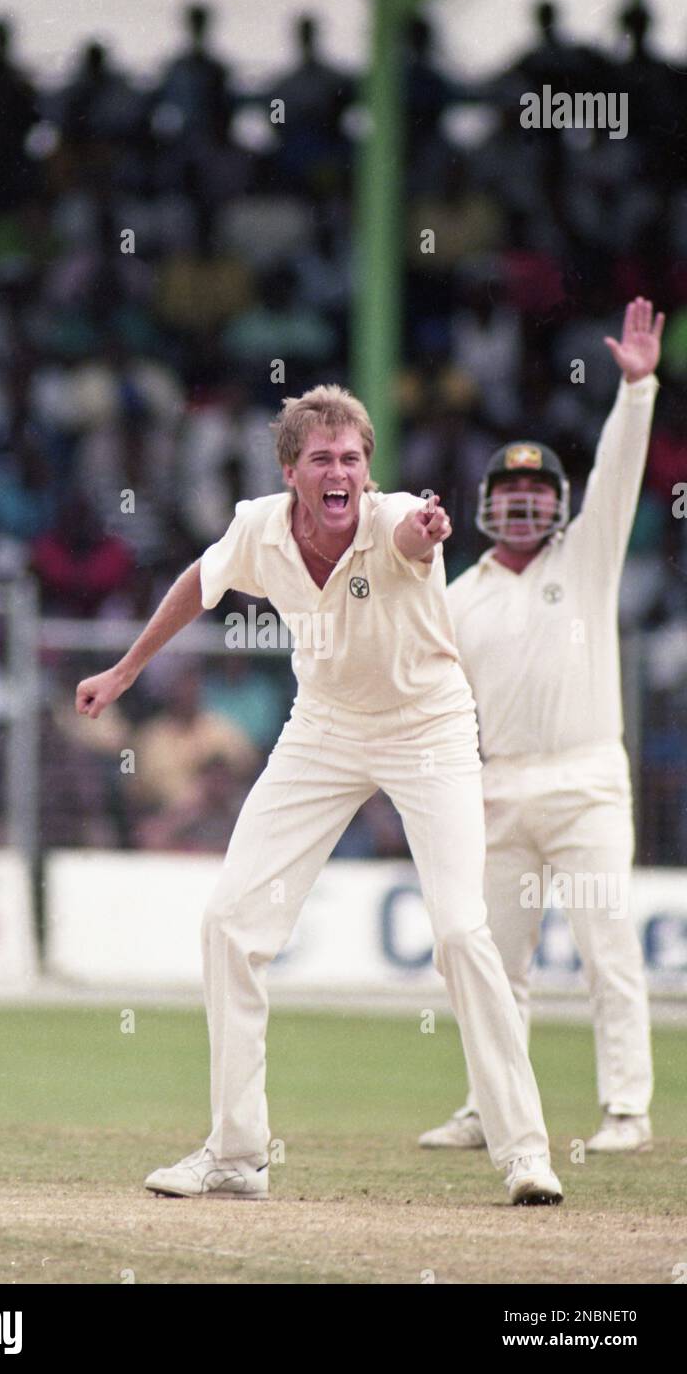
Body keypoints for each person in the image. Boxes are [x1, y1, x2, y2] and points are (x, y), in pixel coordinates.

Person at [76, 384, 563, 1205]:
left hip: (429, 726)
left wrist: (426, 529)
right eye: (322, 460)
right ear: (291, 471)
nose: (340, 473)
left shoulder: (398, 517)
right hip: (325, 727)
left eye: (352, 459)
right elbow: (200, 581)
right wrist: (127, 669)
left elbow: (416, 533)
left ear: (368, 471)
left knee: (460, 931)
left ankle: (524, 1153)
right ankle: (236, 1153)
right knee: (230, 923)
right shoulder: (259, 528)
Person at [419, 298, 663, 1156]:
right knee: (494, 967)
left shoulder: (587, 558)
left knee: (607, 950)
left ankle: (626, 1111)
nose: (524, 505)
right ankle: (491, 1109)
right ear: (487, 505)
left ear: (557, 503)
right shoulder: (458, 595)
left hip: (587, 780)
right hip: (496, 790)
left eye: (537, 492)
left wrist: (635, 392)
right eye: (510, 492)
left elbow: (621, 475)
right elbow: (427, 699)